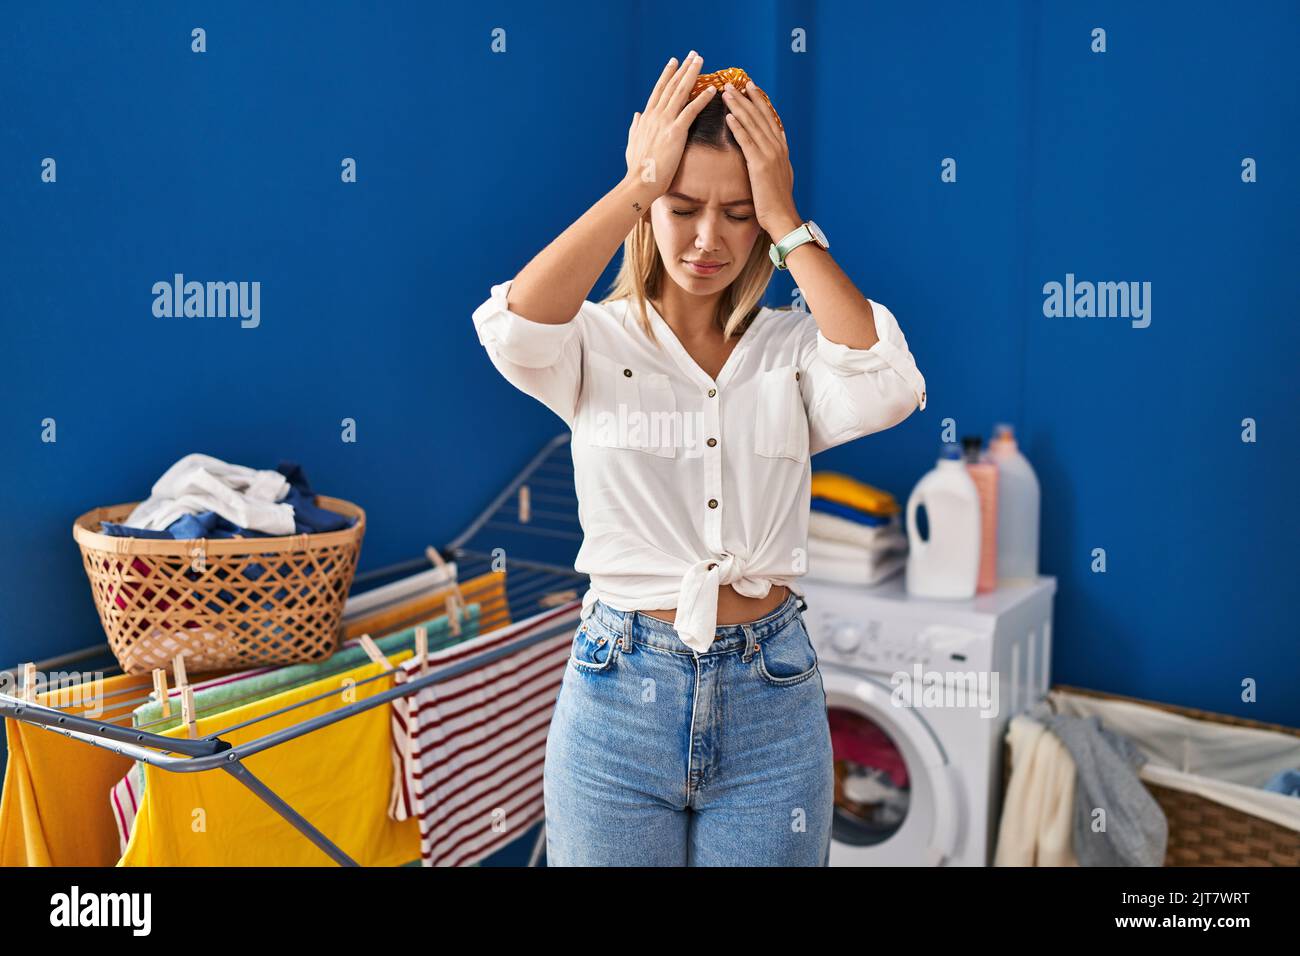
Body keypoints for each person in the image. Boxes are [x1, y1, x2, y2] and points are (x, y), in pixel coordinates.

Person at [470, 51, 927, 866]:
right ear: (651, 207)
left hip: (772, 699)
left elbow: (889, 384)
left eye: (740, 213)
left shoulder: (792, 350)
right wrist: (634, 185)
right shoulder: (594, 343)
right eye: (681, 207)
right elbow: (512, 330)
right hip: (616, 702)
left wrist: (788, 217)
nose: (709, 239)